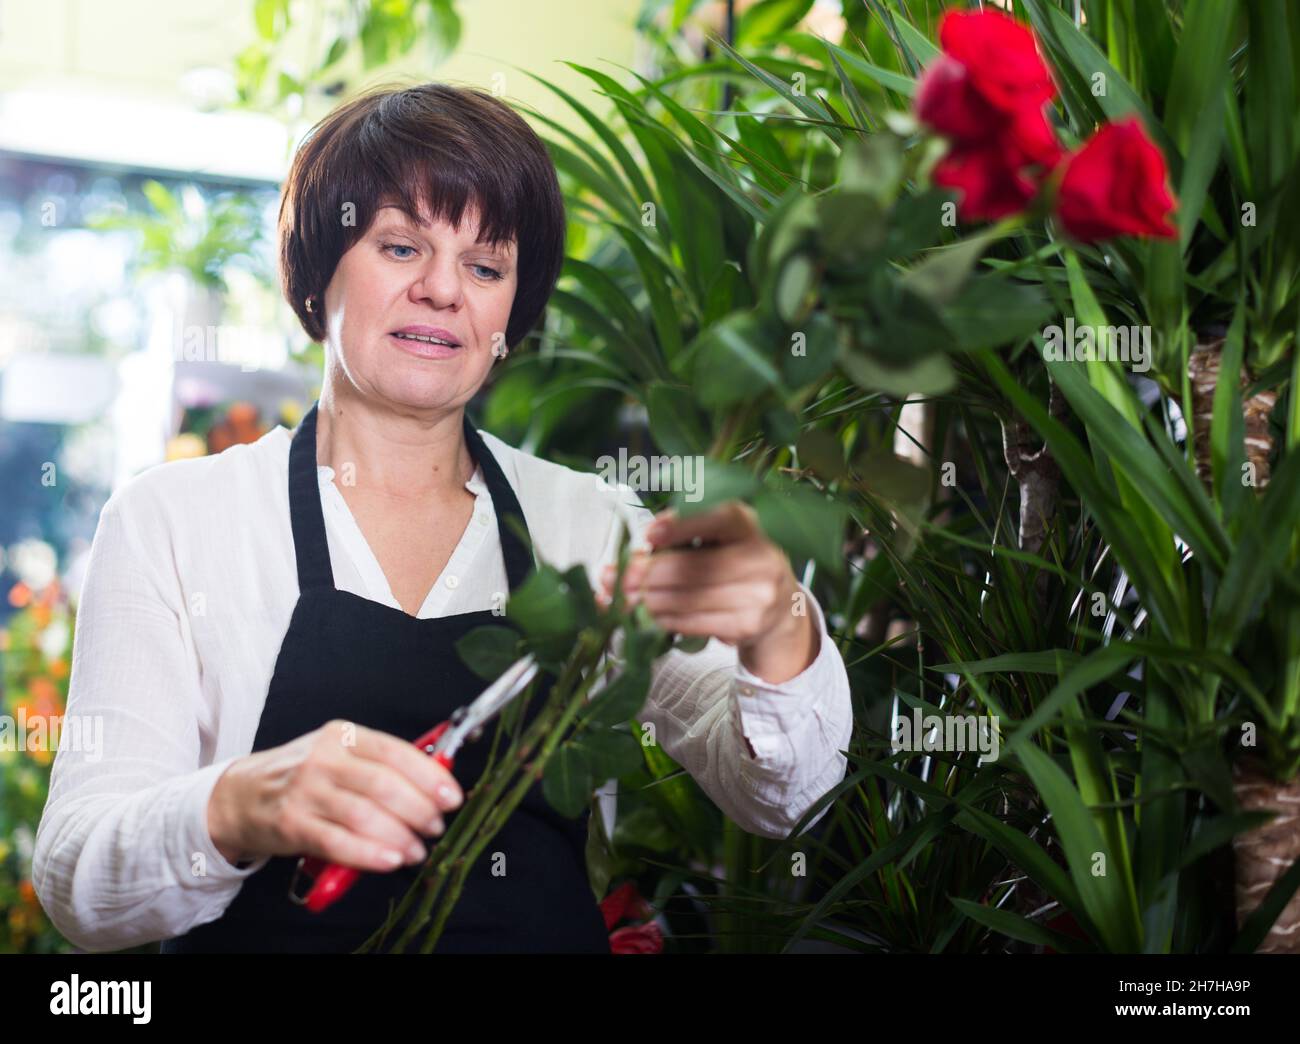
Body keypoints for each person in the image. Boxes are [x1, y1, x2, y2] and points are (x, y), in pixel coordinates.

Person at [33, 82, 853, 954]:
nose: (441, 290)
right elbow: (80, 883)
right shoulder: (175, 521)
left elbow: (784, 798)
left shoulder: (588, 525)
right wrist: (238, 805)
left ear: (512, 310)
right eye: (400, 245)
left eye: (485, 265)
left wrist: (778, 625)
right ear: (318, 270)